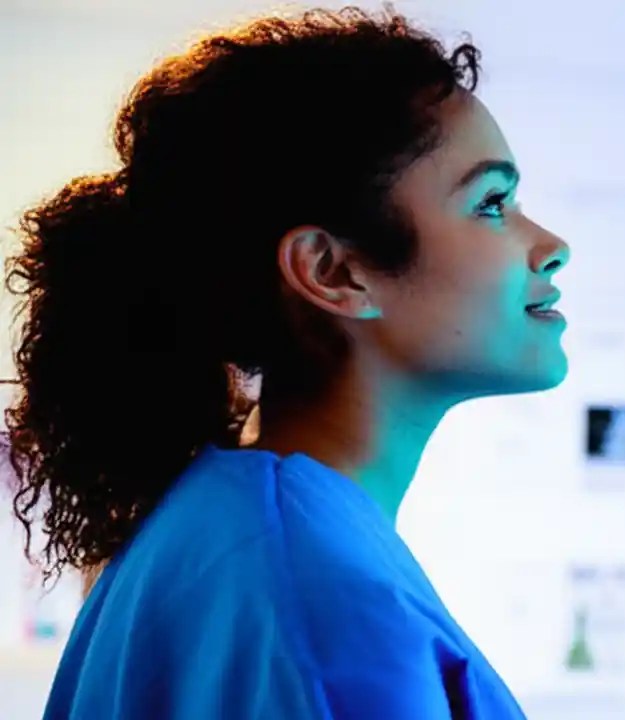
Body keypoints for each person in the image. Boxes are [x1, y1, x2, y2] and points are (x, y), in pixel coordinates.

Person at [4, 7, 569, 719]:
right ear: (333, 272)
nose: (552, 246)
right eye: (491, 203)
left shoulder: (210, 523)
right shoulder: (331, 619)